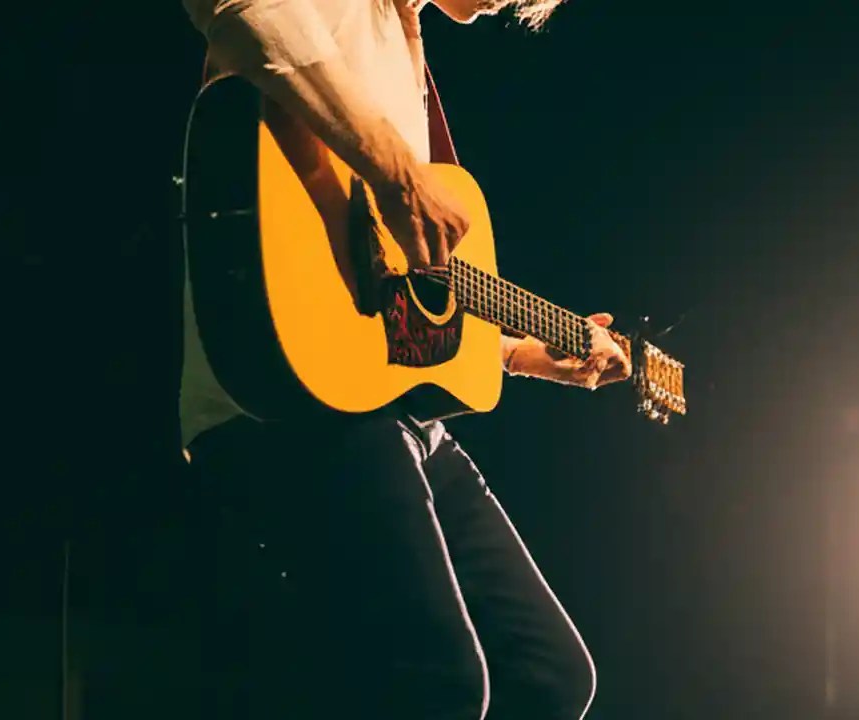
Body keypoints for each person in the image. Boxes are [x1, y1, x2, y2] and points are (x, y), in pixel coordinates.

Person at [178, 0, 631, 717]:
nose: (503, 6)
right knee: (439, 683)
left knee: (549, 676)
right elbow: (238, 9)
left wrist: (519, 352)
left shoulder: (409, 54)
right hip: (291, 397)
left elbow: (392, 283)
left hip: (393, 410)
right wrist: (395, 169)